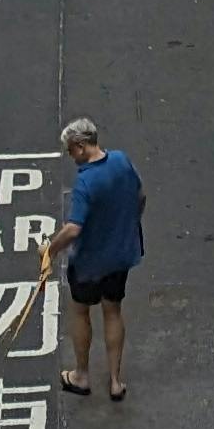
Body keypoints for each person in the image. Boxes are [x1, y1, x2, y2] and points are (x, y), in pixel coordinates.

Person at [46, 116, 143, 400]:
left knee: (80, 311)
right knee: (113, 310)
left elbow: (74, 228)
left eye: (69, 150)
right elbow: (140, 196)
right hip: (120, 255)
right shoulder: (122, 161)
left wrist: (50, 250)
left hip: (89, 262)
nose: (70, 156)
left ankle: (81, 375)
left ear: (79, 146)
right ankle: (115, 381)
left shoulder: (86, 182)